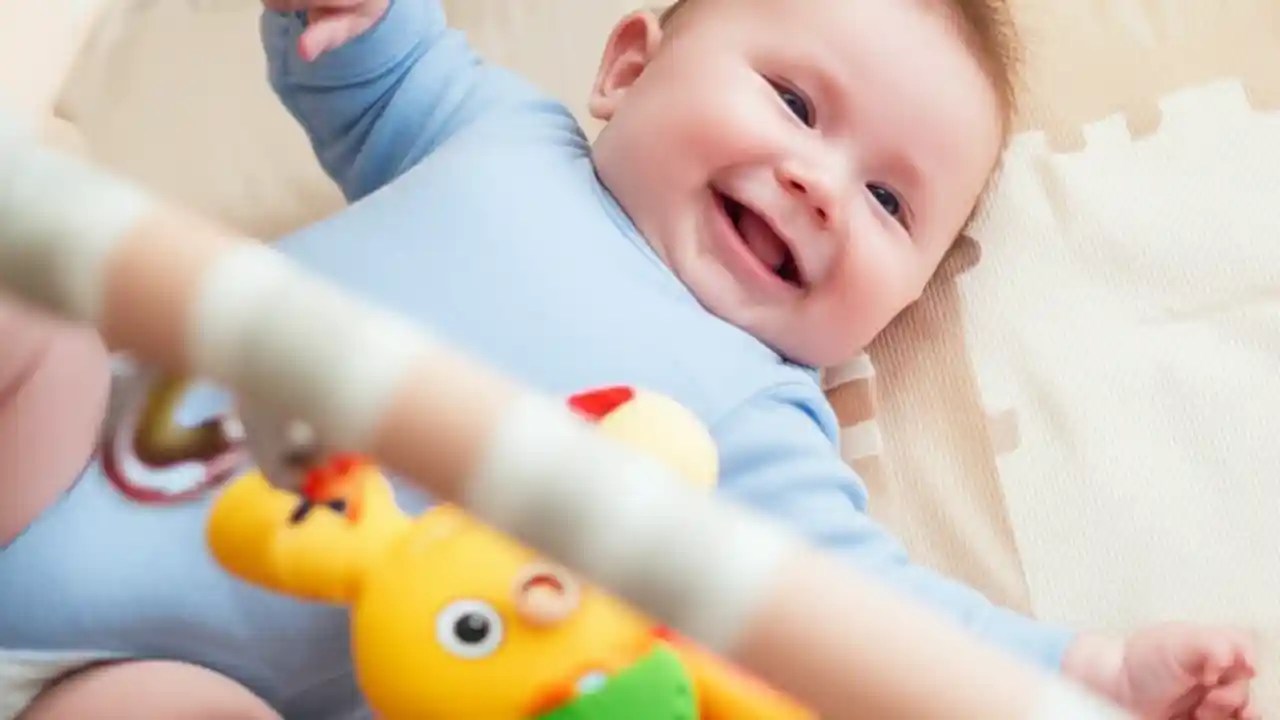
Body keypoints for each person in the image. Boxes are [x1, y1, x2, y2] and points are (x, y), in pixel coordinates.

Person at [0, 1, 1258, 717]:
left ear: (905, 303)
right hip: (50, 465)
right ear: (627, 67)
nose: (819, 183)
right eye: (795, 104)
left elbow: (878, 621)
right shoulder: (500, 133)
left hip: (157, 678)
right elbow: (373, 71)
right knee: (33, 290)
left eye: (888, 203)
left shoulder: (755, 426)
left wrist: (1090, 669)